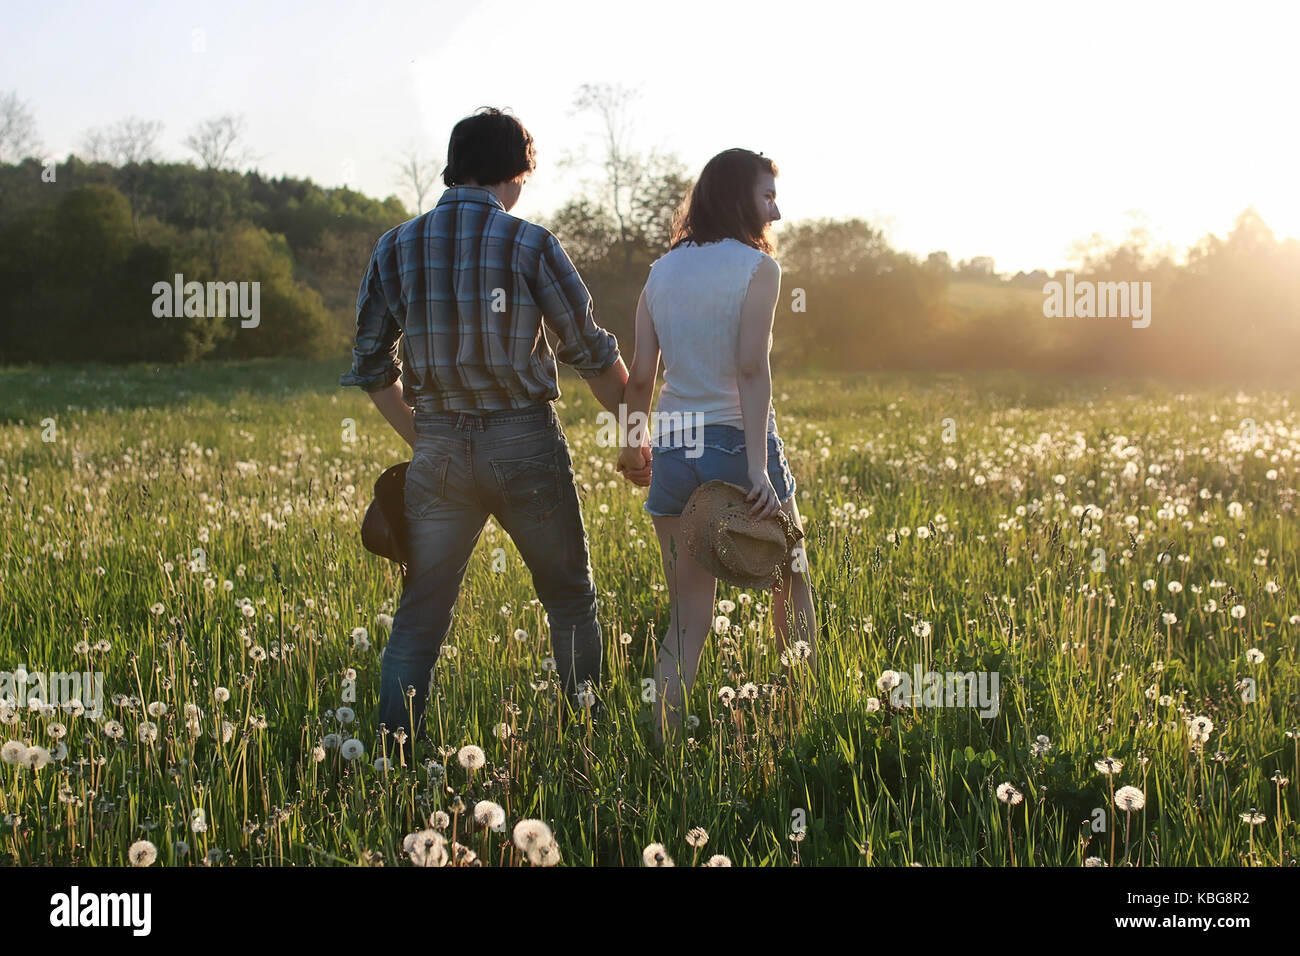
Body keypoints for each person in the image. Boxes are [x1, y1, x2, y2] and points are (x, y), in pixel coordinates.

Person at [340, 107, 650, 764]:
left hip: (441, 449)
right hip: (524, 445)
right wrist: (634, 430)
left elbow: (371, 365)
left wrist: (421, 436)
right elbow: (589, 352)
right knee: (568, 599)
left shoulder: (395, 246)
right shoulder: (529, 242)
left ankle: (395, 761)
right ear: (517, 171)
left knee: (420, 617)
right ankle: (585, 744)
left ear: (454, 168)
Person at [616, 148, 818, 744]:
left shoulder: (660, 272)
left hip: (674, 449)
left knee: (687, 615)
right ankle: (798, 722)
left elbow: (640, 376)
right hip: (735, 443)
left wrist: (633, 446)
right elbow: (752, 369)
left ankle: (663, 743)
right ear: (739, 199)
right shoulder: (758, 270)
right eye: (767, 197)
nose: (776, 213)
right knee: (793, 582)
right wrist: (757, 467)